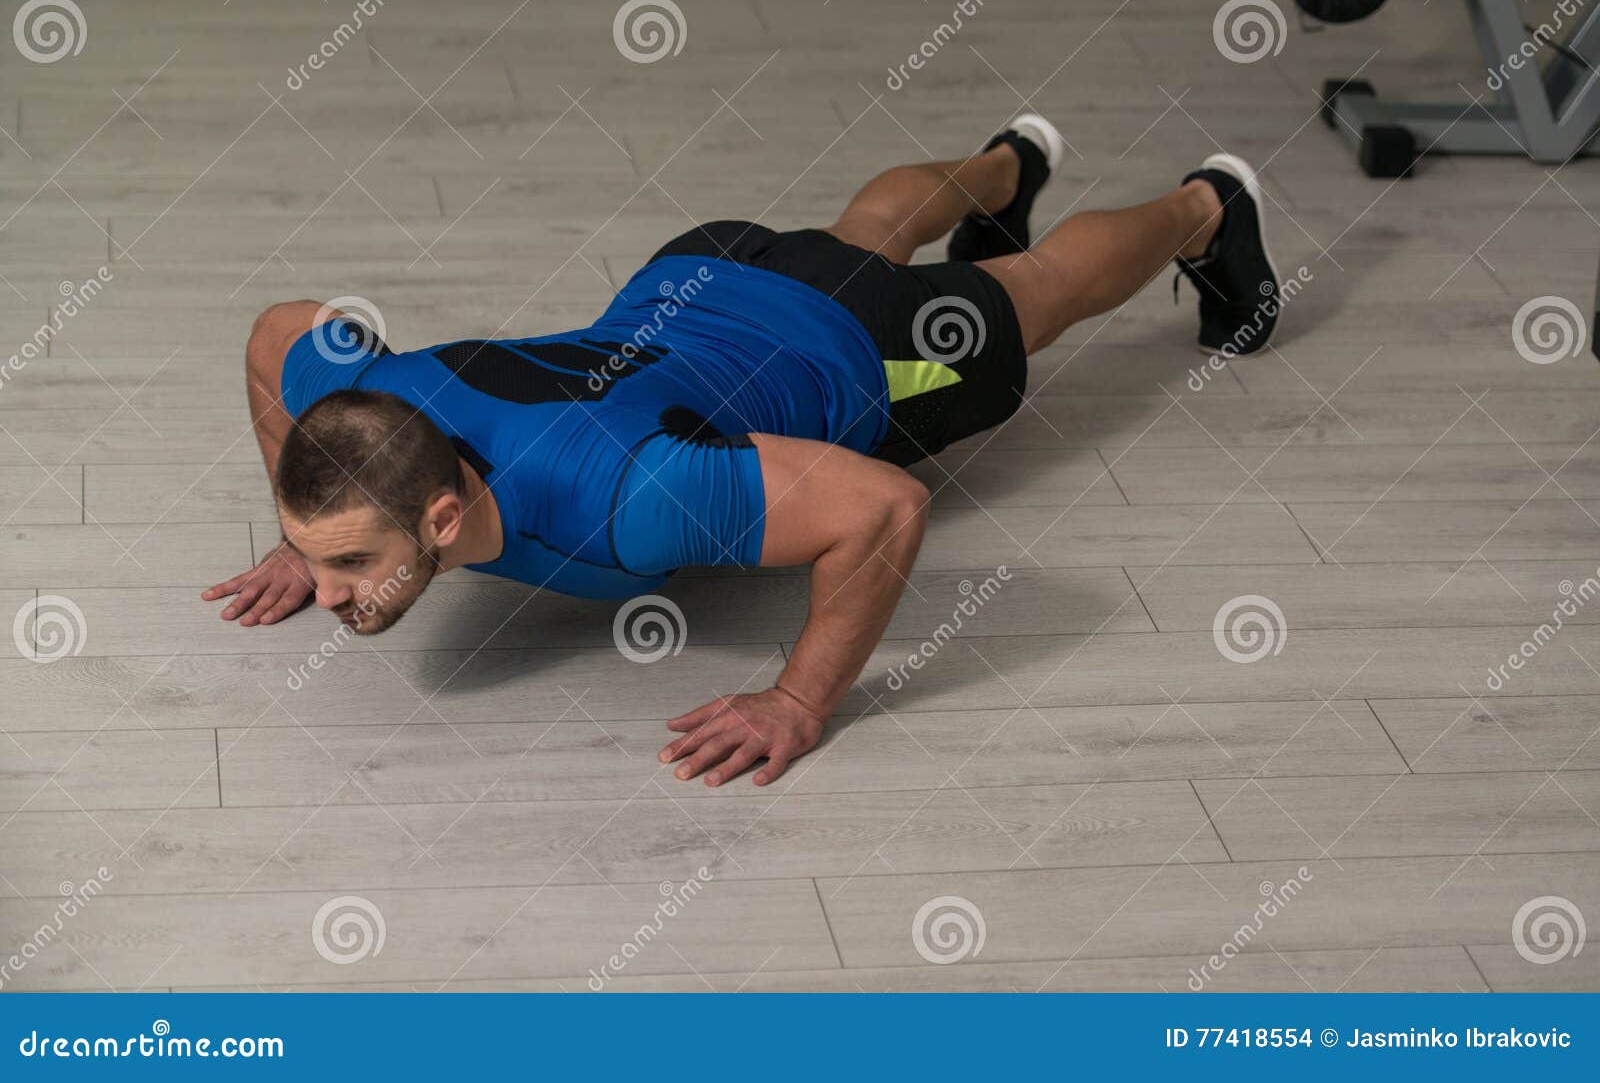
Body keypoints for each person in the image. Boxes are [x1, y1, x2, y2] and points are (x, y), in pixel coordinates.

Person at [201, 113, 1281, 789]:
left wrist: (800, 700)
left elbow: (884, 507)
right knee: (858, 234)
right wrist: (304, 535)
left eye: (349, 566)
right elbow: (276, 332)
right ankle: (1007, 160)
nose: (333, 599)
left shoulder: (636, 496)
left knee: (1034, 294)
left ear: (444, 518)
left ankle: (1204, 206)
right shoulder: (365, 405)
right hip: (695, 272)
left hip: (858, 345)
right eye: (325, 560)